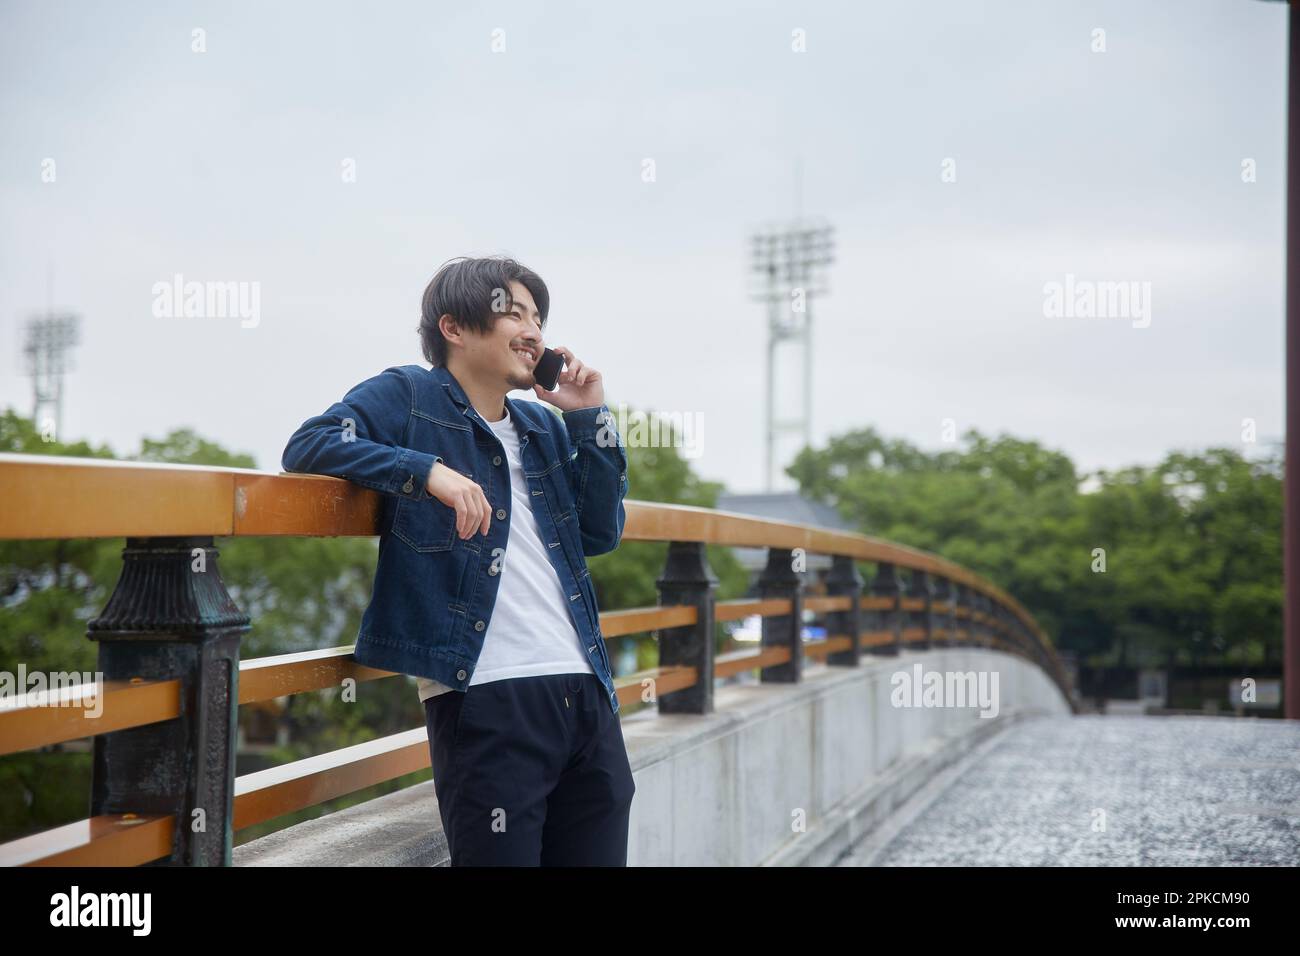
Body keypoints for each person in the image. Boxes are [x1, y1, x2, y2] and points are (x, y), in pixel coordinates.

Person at [281, 255, 634, 865]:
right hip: (485, 698)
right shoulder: (409, 396)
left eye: (539, 319)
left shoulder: (541, 427)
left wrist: (588, 419)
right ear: (454, 327)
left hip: (586, 691)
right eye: (514, 314)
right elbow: (309, 443)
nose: (534, 332)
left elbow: (600, 531)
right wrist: (425, 472)